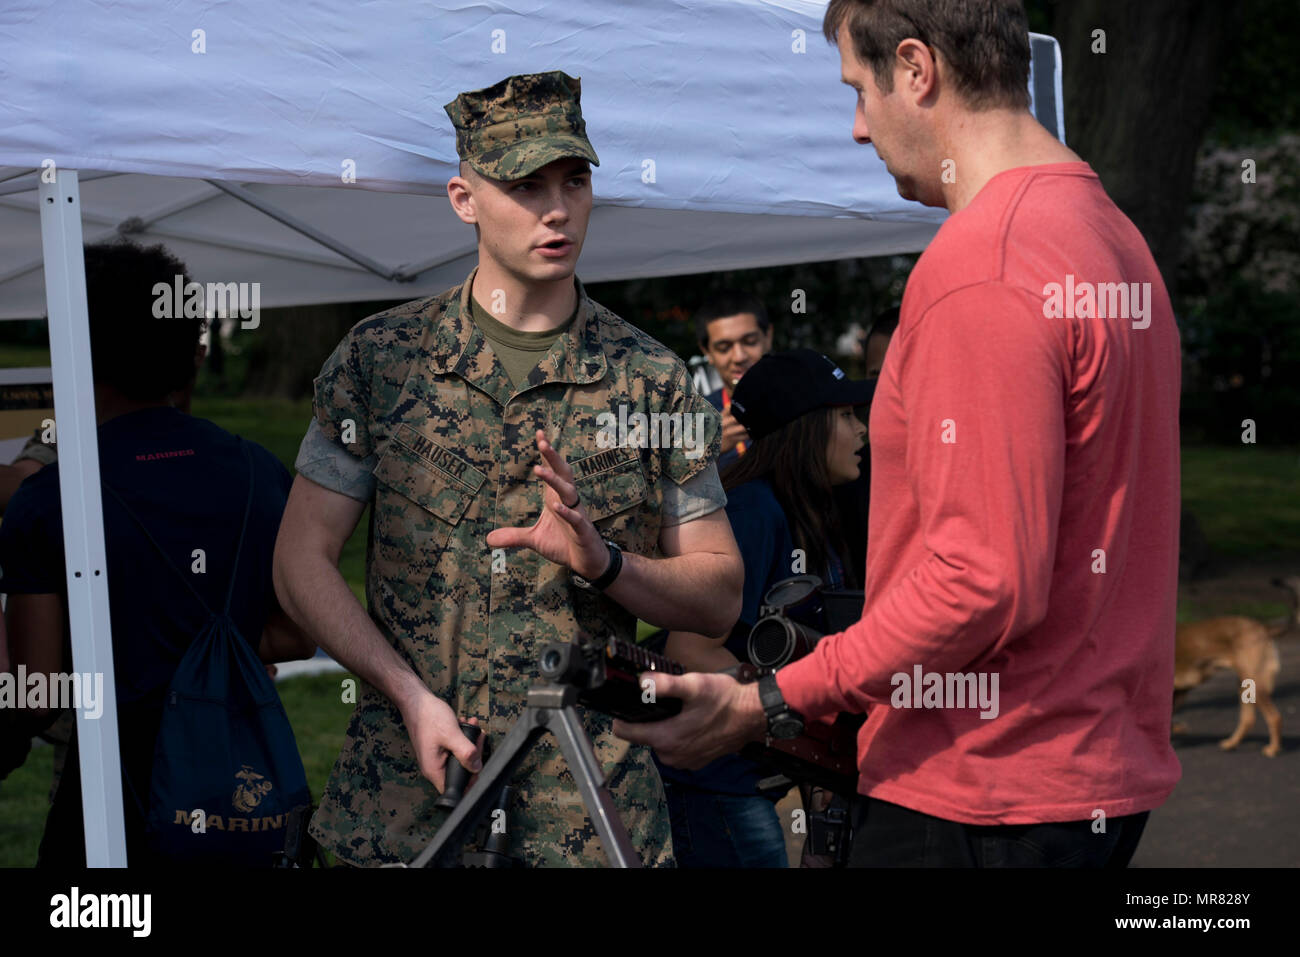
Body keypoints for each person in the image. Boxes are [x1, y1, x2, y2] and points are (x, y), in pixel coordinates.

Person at [617, 0, 1182, 868]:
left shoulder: (985, 265)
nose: (857, 127)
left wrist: (769, 699)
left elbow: (980, 582)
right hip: (1087, 776)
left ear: (917, 70)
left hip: (979, 789)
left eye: (858, 89)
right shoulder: (1112, 238)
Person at [273, 71, 742, 868]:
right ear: (465, 199)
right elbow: (299, 561)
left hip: (589, 818)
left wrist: (608, 562)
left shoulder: (652, 381)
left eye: (574, 181)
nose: (557, 209)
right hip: (410, 799)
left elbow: (720, 596)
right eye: (525, 186)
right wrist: (407, 693)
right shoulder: (383, 361)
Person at [0, 240, 316, 865]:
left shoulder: (49, 497)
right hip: (238, 805)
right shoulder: (261, 472)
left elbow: (36, 695)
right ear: (187, 351)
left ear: (75, 352)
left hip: (109, 809)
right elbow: (296, 636)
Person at [658, 349, 867, 868]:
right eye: (845, 415)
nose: (862, 430)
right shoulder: (754, 509)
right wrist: (790, 706)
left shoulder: (811, 511)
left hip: (757, 777)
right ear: (805, 428)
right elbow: (689, 650)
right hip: (715, 785)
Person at [694, 292, 773, 470]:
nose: (739, 357)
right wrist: (705, 453)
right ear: (707, 352)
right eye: (724, 348)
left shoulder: (805, 401)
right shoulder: (695, 422)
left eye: (750, 341)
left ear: (768, 337)